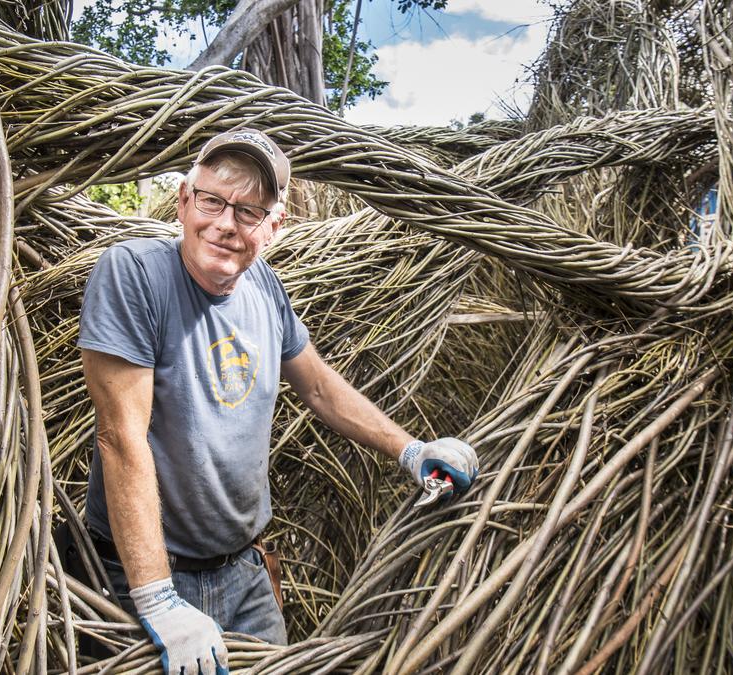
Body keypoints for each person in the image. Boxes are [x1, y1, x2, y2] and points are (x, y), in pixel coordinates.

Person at [77, 128, 479, 675]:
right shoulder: (135, 274)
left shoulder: (263, 285)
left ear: (273, 226)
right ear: (184, 201)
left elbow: (318, 386)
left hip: (245, 574)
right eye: (212, 200)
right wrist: (156, 598)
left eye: (249, 212)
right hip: (143, 578)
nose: (226, 224)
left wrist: (412, 451)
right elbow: (121, 436)